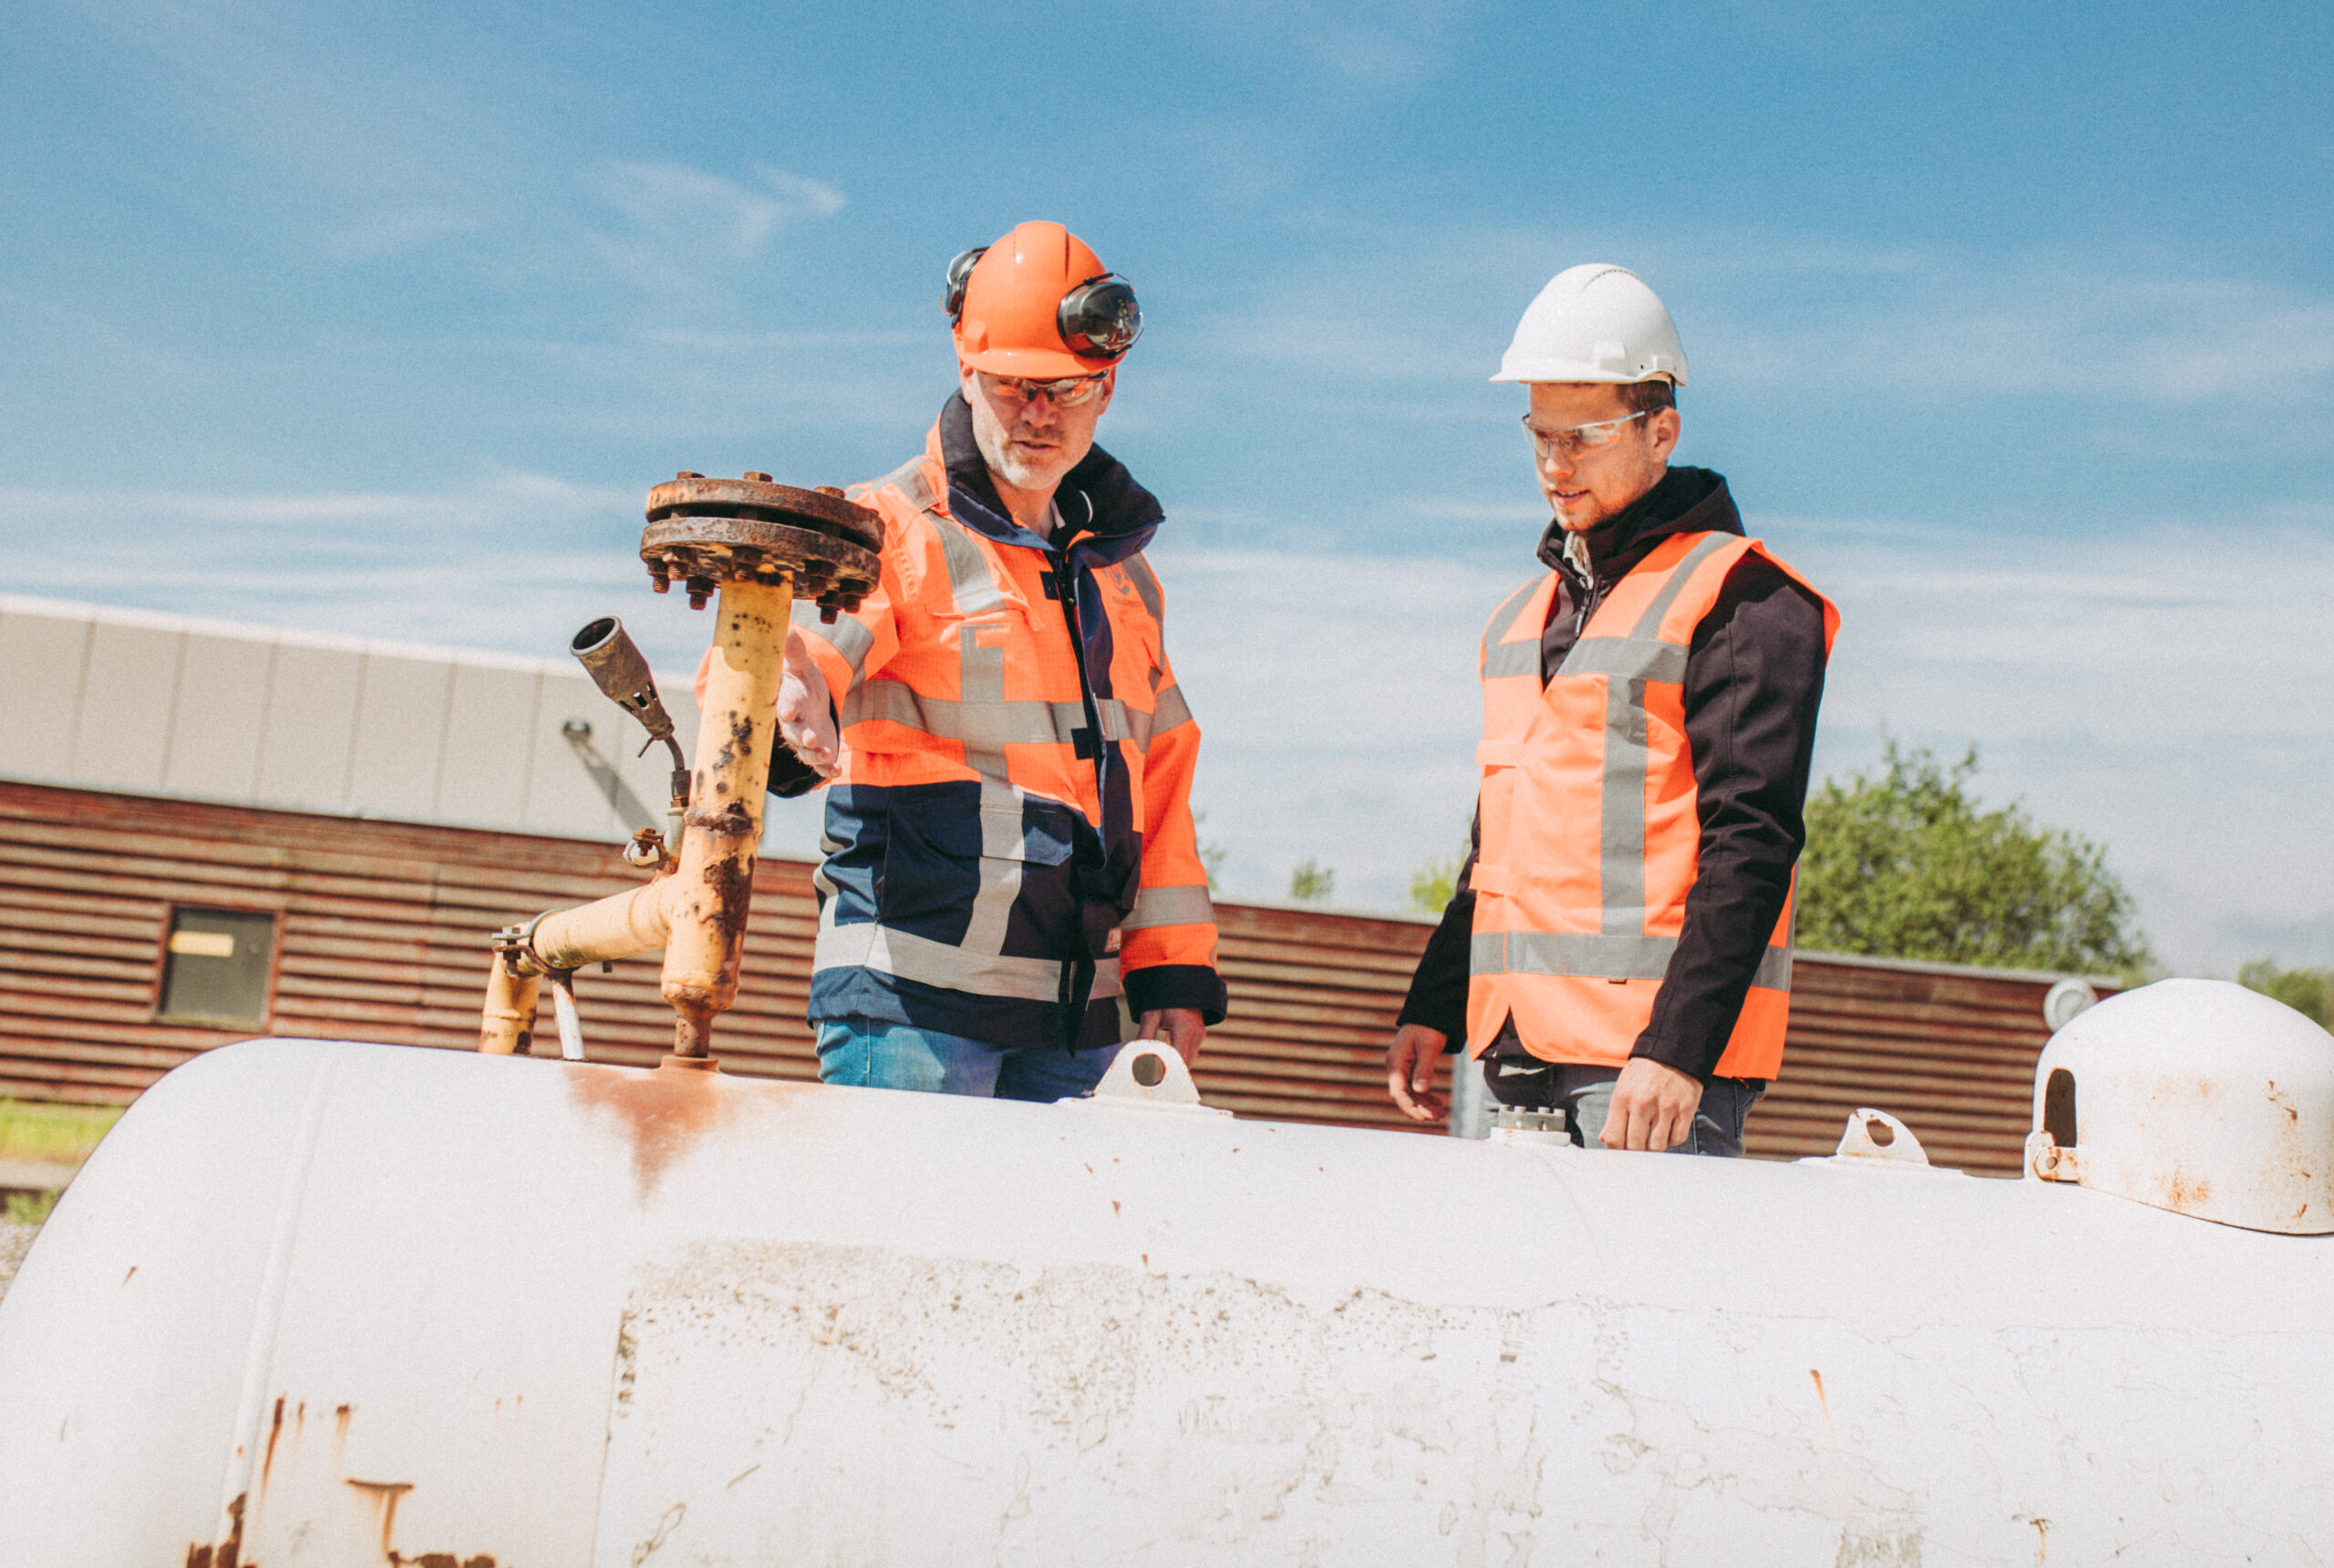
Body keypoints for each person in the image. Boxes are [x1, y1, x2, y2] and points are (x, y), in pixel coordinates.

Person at [757, 221, 1226, 1099]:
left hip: (1075, 1016)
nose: (1037, 414)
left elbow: (1160, 785)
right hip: (913, 1005)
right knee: (900, 1242)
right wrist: (787, 698)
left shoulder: (1125, 582)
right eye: (1012, 386)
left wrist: (1171, 968)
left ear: (1107, 388)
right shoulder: (891, 529)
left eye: (1063, 390)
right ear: (965, 370)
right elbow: (788, 654)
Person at [1385, 264, 1838, 1154]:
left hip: (1644, 1077)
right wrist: (1434, 1004)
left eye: (1583, 438)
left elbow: (1751, 843)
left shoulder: (1741, 600)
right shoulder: (1521, 619)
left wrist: (1677, 1049)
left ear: (1659, 430)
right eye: (1539, 437)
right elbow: (1497, 854)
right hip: (1513, 1054)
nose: (1555, 465)